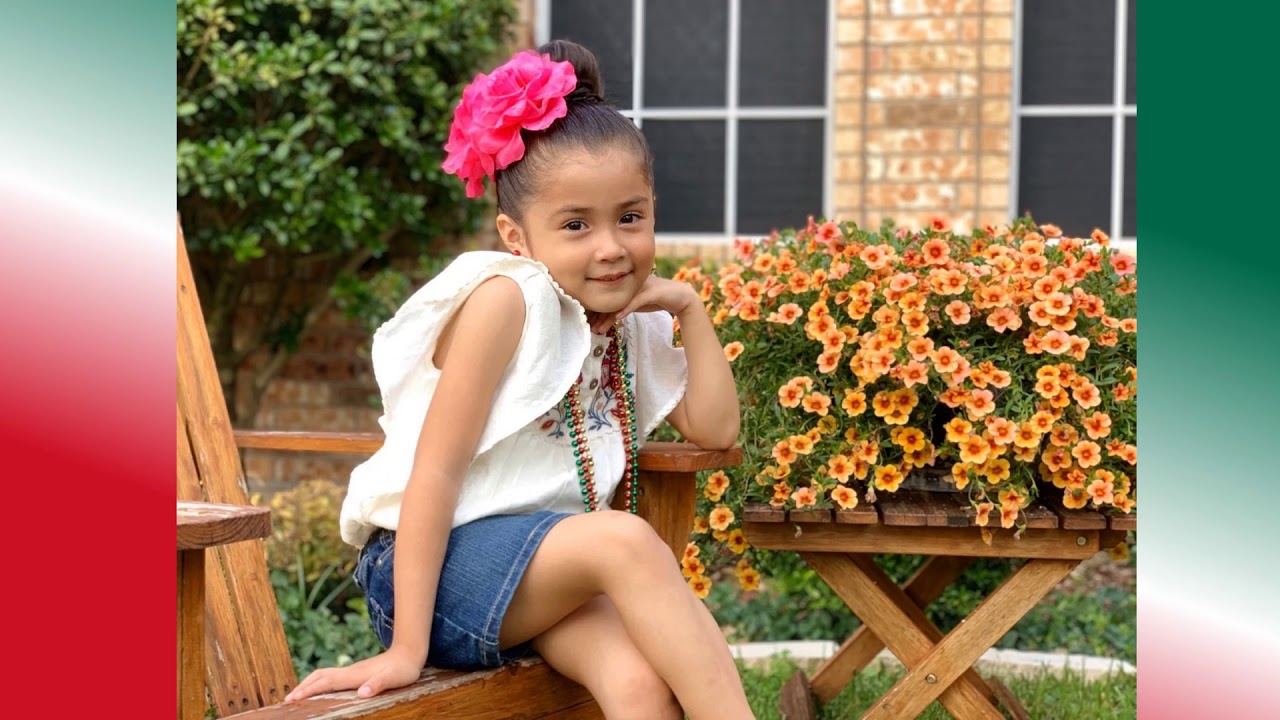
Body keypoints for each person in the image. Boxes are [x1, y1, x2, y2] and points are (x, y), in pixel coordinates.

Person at [283, 40, 754, 719]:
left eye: (631, 216)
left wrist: (688, 308)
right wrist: (406, 649)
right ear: (517, 236)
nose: (610, 247)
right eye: (575, 225)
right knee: (621, 539)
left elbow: (716, 429)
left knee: (639, 687)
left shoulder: (629, 310)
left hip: (542, 579)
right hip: (432, 578)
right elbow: (435, 474)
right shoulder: (506, 301)